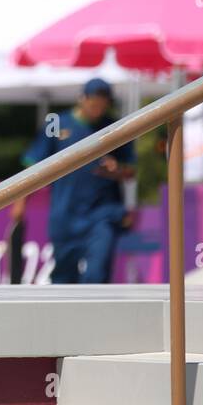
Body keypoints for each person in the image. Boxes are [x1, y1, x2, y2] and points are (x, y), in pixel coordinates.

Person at [12, 78, 136, 284]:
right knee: (63, 276)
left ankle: (96, 315)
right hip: (65, 214)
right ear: (82, 99)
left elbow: (131, 171)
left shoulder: (115, 127)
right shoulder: (57, 123)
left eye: (103, 104)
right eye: (94, 102)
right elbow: (32, 165)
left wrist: (117, 170)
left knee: (97, 274)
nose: (98, 108)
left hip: (102, 214)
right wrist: (20, 202)